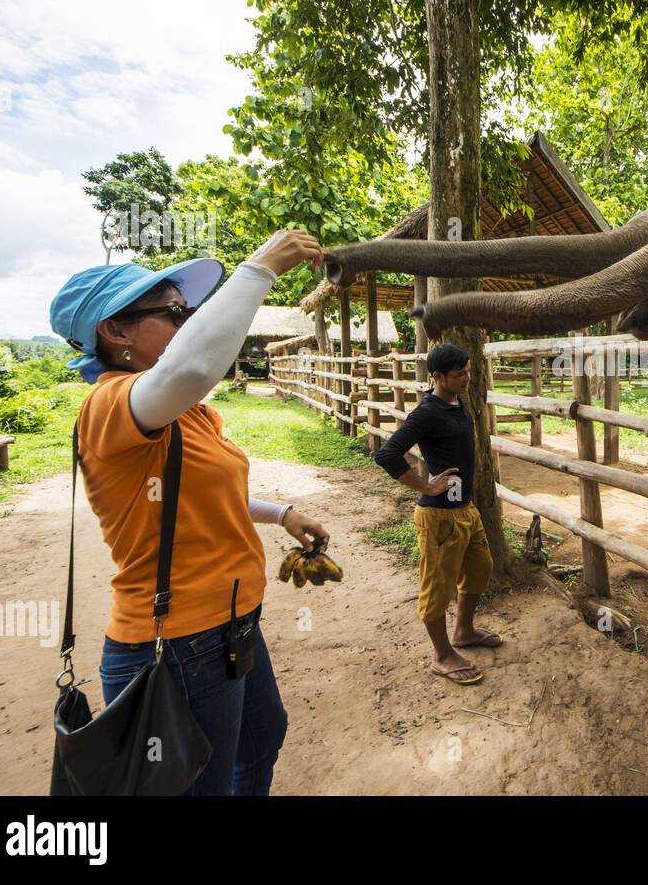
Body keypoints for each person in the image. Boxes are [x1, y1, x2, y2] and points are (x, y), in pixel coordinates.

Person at [49, 230, 330, 795]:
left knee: (259, 741)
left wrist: (281, 514)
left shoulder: (187, 417)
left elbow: (200, 498)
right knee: (205, 783)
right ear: (116, 332)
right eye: (175, 311)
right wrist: (259, 268)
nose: (188, 322)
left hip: (232, 619)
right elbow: (191, 368)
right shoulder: (108, 406)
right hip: (179, 640)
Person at [374, 342, 501, 685]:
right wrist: (426, 486)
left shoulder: (459, 401)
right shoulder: (426, 412)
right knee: (437, 588)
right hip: (439, 518)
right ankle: (442, 655)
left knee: (480, 568)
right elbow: (387, 454)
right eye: (460, 374)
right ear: (437, 377)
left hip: (465, 511)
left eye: (469, 372)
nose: (467, 379)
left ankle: (463, 631)